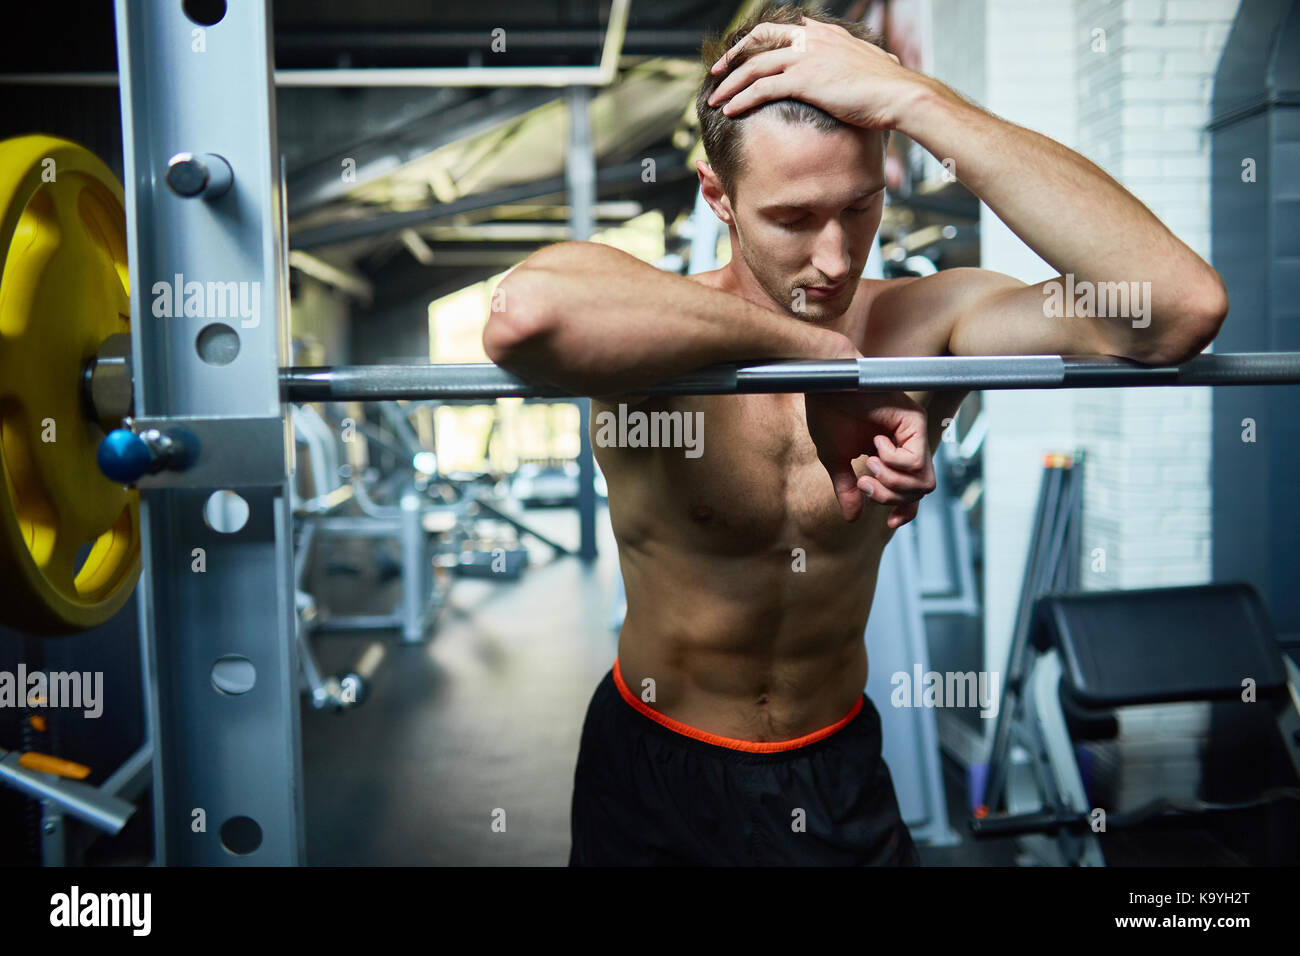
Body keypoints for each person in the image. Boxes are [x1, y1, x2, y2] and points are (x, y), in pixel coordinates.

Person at [482, 2, 1228, 865]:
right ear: (718, 197)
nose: (836, 259)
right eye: (794, 219)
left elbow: (1176, 309)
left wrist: (918, 100)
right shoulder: (651, 329)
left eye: (860, 208)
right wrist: (821, 358)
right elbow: (522, 315)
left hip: (834, 769)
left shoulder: (926, 322)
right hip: (655, 771)